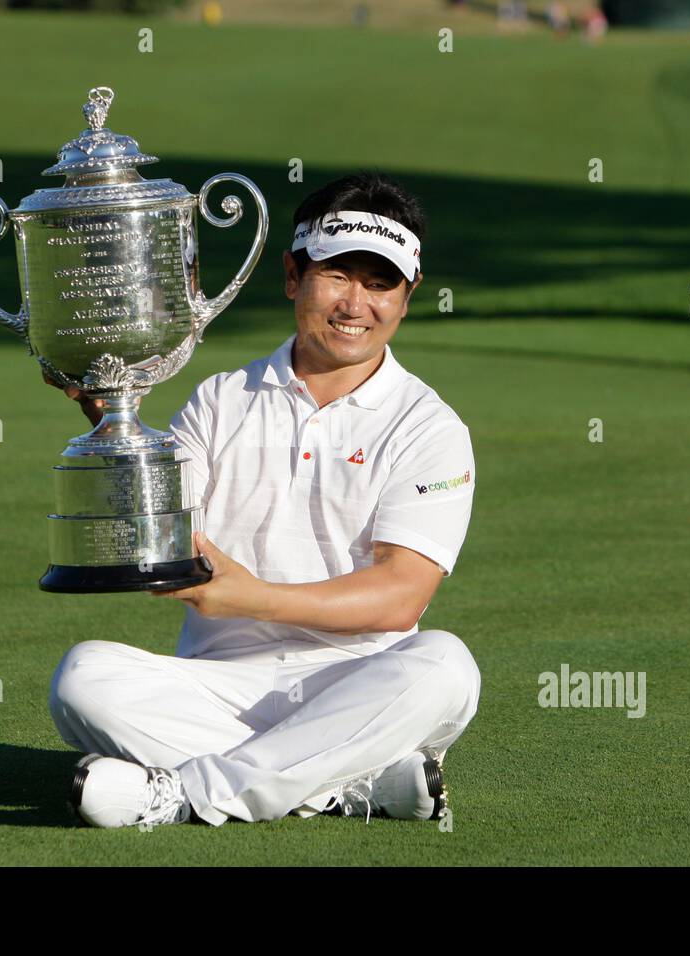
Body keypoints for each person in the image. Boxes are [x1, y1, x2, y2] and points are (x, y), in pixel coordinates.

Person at [43, 171, 482, 828]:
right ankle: (348, 785)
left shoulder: (429, 427)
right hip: (220, 682)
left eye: (379, 282)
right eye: (336, 274)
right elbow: (162, 523)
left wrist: (252, 596)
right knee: (83, 677)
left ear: (407, 297)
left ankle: (179, 796)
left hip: (360, 678)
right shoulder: (221, 400)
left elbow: (402, 598)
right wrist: (109, 416)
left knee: (445, 666)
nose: (354, 303)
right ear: (292, 275)